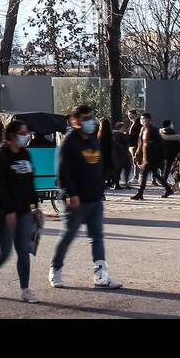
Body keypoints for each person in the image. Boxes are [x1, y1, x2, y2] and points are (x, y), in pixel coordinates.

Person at [48, 104, 121, 290]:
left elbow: (98, 164)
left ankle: (101, 276)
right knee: (68, 235)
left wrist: (102, 186)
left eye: (91, 117)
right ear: (75, 121)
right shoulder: (69, 142)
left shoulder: (93, 140)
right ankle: (55, 269)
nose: (90, 121)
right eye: (85, 118)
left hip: (94, 198)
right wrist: (71, 193)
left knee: (97, 237)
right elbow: (62, 171)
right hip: (75, 200)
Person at [0, 119, 42, 303]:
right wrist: (8, 211)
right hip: (5, 210)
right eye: (23, 133)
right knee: (5, 251)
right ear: (12, 135)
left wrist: (35, 206)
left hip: (24, 211)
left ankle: (25, 289)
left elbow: (30, 181)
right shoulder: (1, 155)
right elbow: (1, 185)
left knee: (23, 250)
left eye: (27, 133)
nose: (27, 136)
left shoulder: (25, 154)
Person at [131, 112, 168, 200]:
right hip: (146, 156)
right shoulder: (143, 129)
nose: (143, 121)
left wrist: (150, 145)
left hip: (152, 156)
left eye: (144, 119)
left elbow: (159, 143)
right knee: (155, 175)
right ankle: (168, 188)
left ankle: (140, 193)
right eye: (142, 119)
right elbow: (141, 143)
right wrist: (138, 153)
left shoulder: (153, 130)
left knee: (144, 174)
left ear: (149, 120)